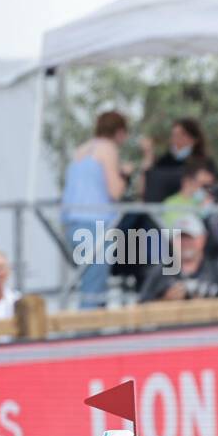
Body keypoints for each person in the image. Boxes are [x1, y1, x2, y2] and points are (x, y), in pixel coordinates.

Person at [62, 110, 132, 309]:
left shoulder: (81, 149)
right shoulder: (108, 149)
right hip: (95, 224)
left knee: (87, 281)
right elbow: (115, 191)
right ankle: (86, 335)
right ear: (119, 132)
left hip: (72, 222)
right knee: (94, 288)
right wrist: (125, 175)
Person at [138, 216, 218, 302]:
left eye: (190, 238)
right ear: (172, 241)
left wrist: (209, 302)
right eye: (180, 238)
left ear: (203, 239)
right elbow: (141, 306)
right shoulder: (161, 270)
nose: (185, 243)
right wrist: (165, 300)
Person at [140, 118, 218, 203]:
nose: (175, 139)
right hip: (164, 207)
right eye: (174, 135)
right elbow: (148, 182)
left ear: (193, 138)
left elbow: (211, 183)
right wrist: (148, 154)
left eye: (181, 135)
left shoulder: (204, 161)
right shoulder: (164, 160)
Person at [161, 158, 216, 228]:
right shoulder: (171, 203)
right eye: (202, 184)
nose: (204, 190)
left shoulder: (208, 203)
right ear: (187, 182)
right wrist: (198, 213)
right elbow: (175, 229)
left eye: (208, 186)